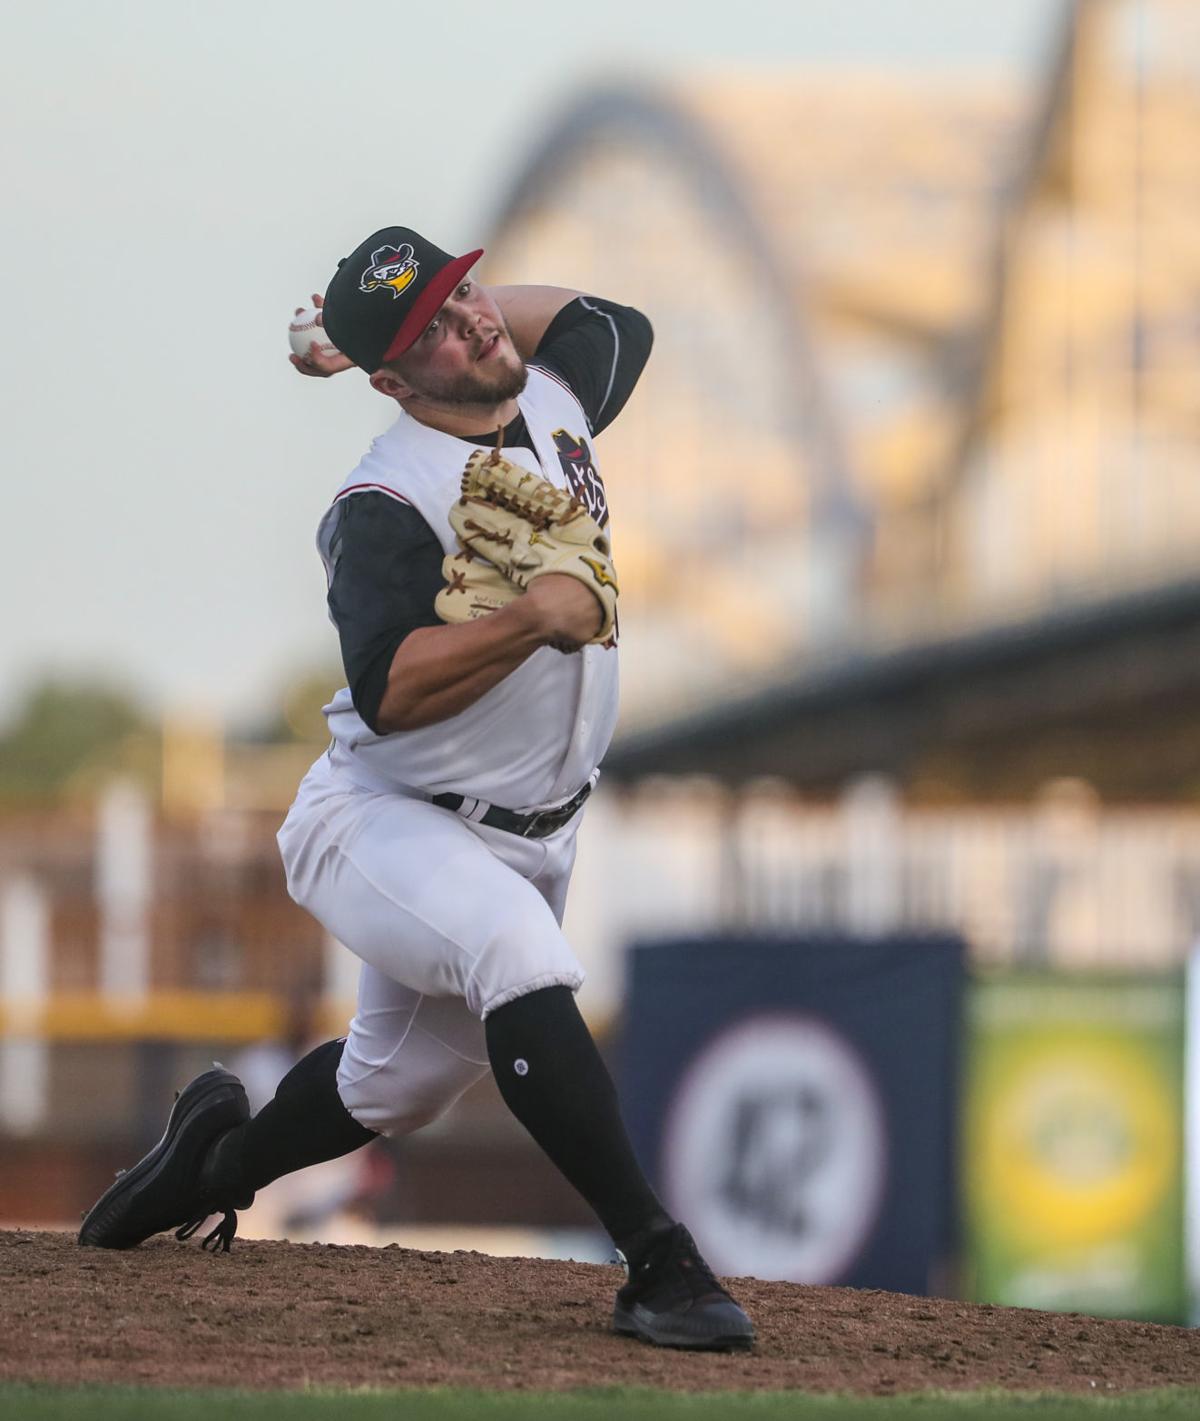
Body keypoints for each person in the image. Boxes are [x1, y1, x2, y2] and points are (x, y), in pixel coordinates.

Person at [79, 226, 754, 1352]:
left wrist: (388, 327)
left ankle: (210, 1161)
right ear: (392, 384)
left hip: (533, 832)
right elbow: (387, 688)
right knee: (519, 958)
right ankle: (662, 1262)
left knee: (396, 1086)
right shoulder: (382, 500)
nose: (475, 321)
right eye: (432, 329)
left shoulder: (551, 397)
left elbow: (603, 321)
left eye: (465, 292)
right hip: (384, 819)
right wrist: (529, 616)